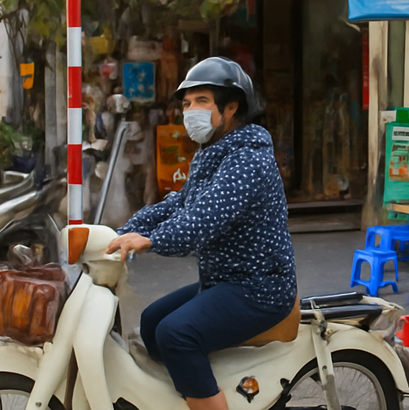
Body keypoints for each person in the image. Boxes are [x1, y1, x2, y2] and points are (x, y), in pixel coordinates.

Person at [106, 57, 297, 410]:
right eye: (186, 104)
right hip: (224, 280)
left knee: (175, 333)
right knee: (151, 323)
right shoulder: (215, 154)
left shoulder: (247, 159)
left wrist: (152, 240)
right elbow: (181, 204)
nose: (190, 111)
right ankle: (196, 393)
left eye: (202, 102)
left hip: (259, 287)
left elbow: (204, 217)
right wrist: (122, 232)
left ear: (231, 107)